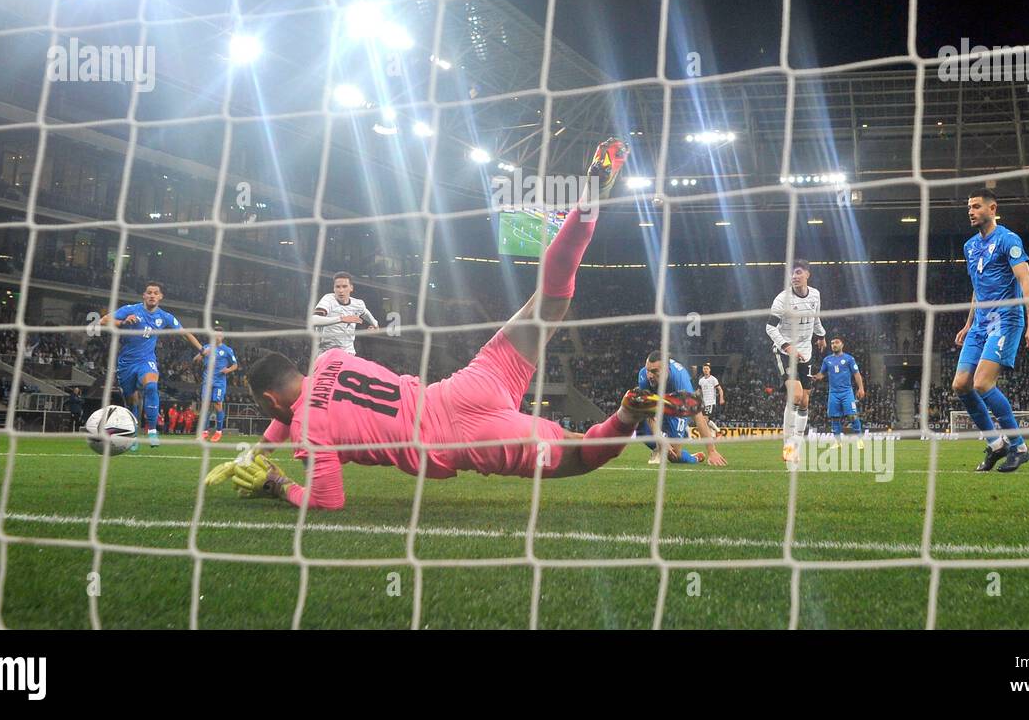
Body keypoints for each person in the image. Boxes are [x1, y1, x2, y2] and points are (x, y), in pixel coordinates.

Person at [209, 139, 681, 510]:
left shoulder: (311, 430)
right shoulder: (331, 358)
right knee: (550, 302)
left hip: (457, 439)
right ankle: (586, 203)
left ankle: (624, 418)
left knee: (577, 457)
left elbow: (328, 501)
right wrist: (256, 451)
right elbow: (293, 409)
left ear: (271, 401)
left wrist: (275, 483)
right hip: (465, 386)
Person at [951, 190, 1029, 473]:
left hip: (1006, 319)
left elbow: (1025, 279)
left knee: (982, 383)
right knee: (961, 385)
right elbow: (977, 290)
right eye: (969, 207)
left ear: (993, 208)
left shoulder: (1008, 239)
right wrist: (968, 324)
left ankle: (1020, 448)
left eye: (976, 206)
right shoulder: (969, 246)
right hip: (979, 323)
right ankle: (995, 445)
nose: (971, 211)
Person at [99, 282, 204, 449]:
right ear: (144, 295)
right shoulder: (131, 309)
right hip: (126, 362)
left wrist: (201, 348)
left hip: (146, 360)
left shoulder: (165, 317)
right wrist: (123, 322)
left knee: (151, 386)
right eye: (149, 292)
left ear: (160, 297)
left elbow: (184, 333)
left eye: (156, 293)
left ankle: (152, 431)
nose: (152, 295)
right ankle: (132, 435)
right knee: (132, 400)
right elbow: (103, 321)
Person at [766, 259, 825, 463]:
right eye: (792, 273)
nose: (794, 276)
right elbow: (770, 327)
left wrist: (821, 335)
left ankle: (796, 448)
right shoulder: (782, 299)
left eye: (798, 272)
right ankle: (788, 446)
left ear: (807, 274)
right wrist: (787, 346)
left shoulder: (815, 295)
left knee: (805, 401)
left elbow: (815, 319)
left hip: (806, 352)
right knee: (797, 395)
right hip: (785, 351)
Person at [311, 272, 379, 358]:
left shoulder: (358, 304)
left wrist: (375, 324)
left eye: (344, 286)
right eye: (338, 287)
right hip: (326, 353)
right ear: (334, 288)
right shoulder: (328, 300)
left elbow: (365, 312)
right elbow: (314, 320)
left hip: (348, 353)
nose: (341, 290)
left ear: (351, 288)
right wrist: (341, 319)